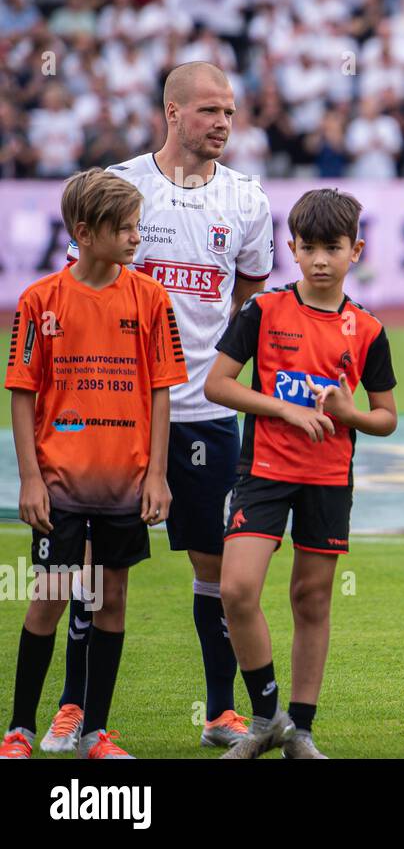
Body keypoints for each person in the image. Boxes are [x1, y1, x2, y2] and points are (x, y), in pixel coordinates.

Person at [49, 61, 275, 753]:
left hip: (204, 410)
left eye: (231, 113)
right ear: (172, 111)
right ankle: (72, 707)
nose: (222, 125)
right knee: (92, 564)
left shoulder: (247, 199)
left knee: (213, 562)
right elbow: (81, 289)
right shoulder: (122, 187)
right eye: (209, 111)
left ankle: (218, 710)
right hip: (116, 408)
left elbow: (250, 292)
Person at [204, 189, 397, 759]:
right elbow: (218, 384)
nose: (319, 259)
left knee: (312, 599)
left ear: (355, 250)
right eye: (307, 247)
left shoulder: (368, 329)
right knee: (237, 590)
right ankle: (266, 717)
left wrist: (349, 414)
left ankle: (300, 731)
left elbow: (385, 417)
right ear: (291, 248)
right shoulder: (263, 311)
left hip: (329, 478)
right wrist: (285, 407)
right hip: (262, 471)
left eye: (331, 248)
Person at [1, 169, 187, 760]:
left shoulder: (151, 297)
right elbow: (23, 392)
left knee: (111, 599)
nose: (137, 237)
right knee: (49, 598)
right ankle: (20, 729)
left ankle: (95, 733)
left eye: (137, 225)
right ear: (85, 231)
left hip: (125, 481)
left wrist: (157, 473)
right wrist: (30, 479)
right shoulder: (39, 302)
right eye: (125, 228)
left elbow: (162, 390)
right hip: (59, 484)